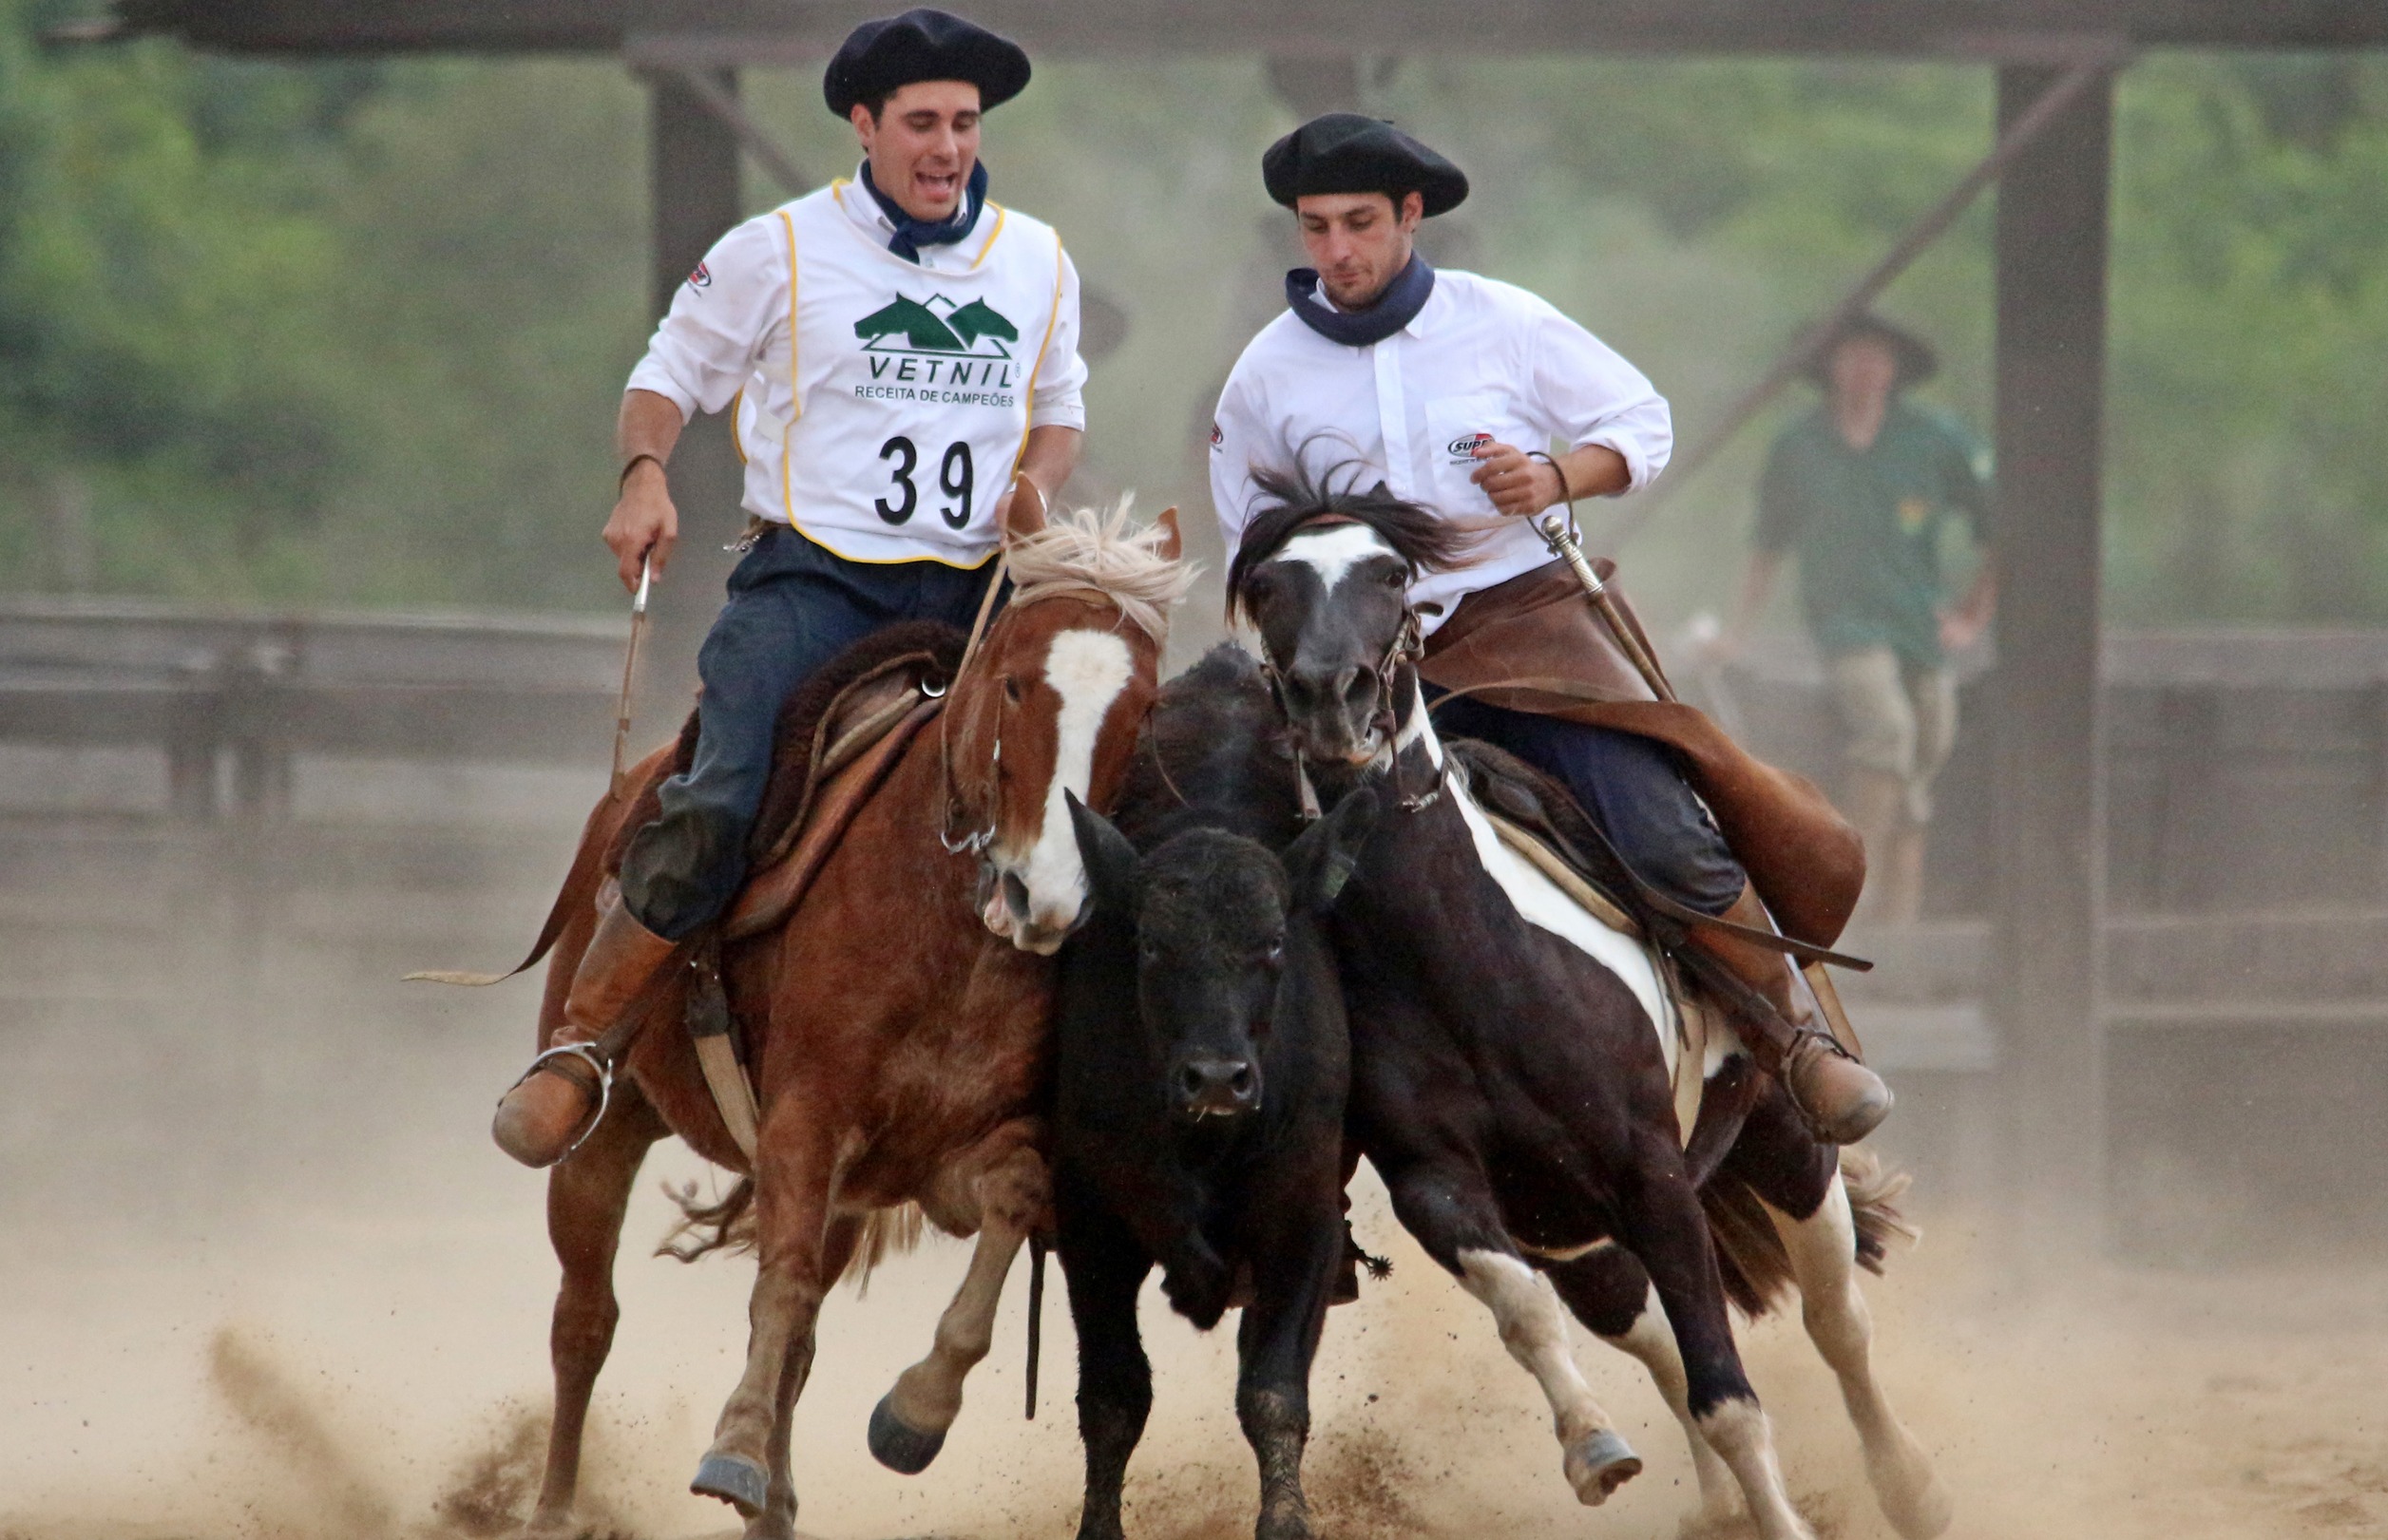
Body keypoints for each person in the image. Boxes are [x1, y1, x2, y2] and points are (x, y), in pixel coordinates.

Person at [1209, 113, 1892, 1145]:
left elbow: (1640, 423)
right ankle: (1256, 1136)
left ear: (1408, 215)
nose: (1336, 252)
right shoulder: (1263, 374)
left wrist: (1553, 477)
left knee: (1656, 825)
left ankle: (1791, 1038)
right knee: (1235, 864)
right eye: (1314, 228)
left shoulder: (1506, 323)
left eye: (1357, 223)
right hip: (1350, 667)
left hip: (1523, 633)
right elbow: (1248, 541)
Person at [492, 7, 1087, 1169]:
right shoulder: (778, 247)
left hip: (973, 596)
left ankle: (1123, 1069)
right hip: (818, 584)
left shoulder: (1036, 258)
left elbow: (1057, 413)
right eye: (920, 122)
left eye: (963, 123)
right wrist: (644, 473)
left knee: (1099, 778)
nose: (946, 147)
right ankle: (587, 1040)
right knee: (721, 784)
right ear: (864, 125)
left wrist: (1033, 488)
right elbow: (666, 376)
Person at [1712, 315, 1995, 926]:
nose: (1866, 370)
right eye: (1853, 356)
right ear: (1830, 367)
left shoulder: (1936, 438)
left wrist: (1973, 616)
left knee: (1930, 742)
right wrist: (1737, 632)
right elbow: (1767, 546)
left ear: (1895, 371)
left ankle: (1900, 929)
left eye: (1878, 358)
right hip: (1844, 621)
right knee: (1888, 730)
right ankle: (1849, 887)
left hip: (1917, 620)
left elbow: (1999, 526)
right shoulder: (1799, 445)